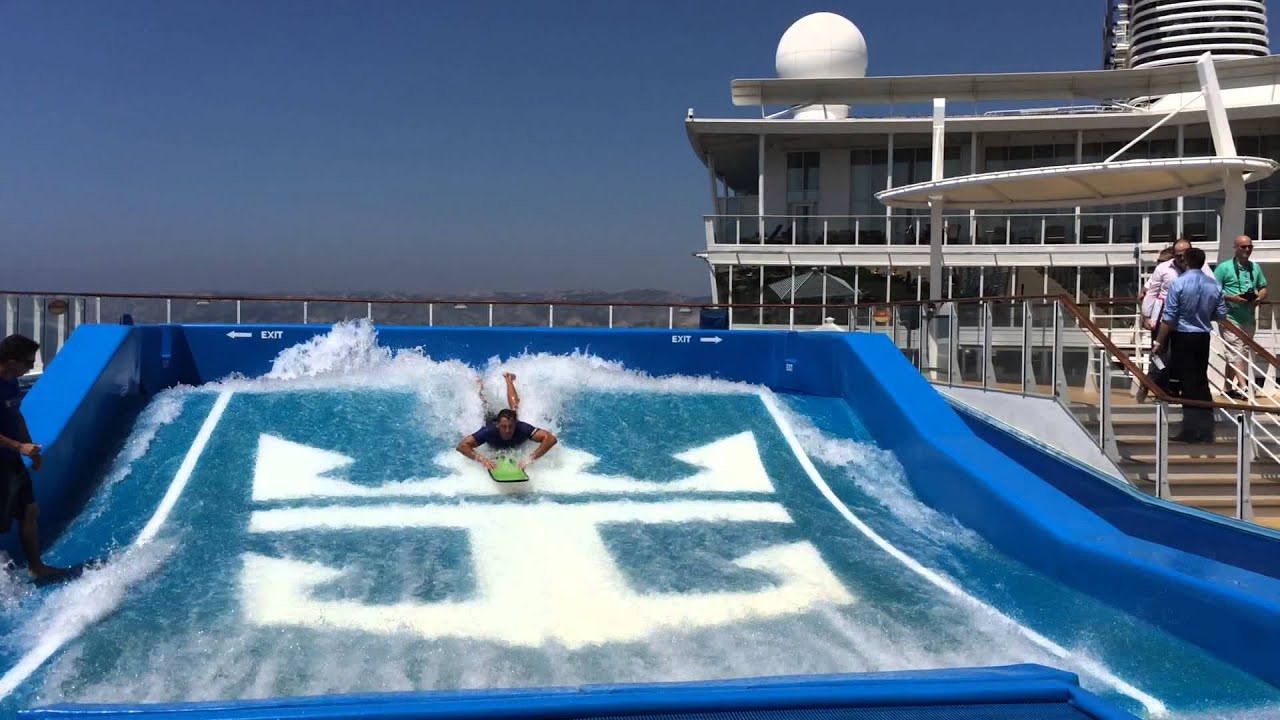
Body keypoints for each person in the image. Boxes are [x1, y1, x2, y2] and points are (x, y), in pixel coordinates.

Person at [0, 334, 66, 579]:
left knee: (30, 510)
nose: (30, 367)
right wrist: (19, 446)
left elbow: (17, 417)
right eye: (27, 363)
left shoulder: (12, 382)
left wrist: (30, 447)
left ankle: (36, 566)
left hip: (11, 458)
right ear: (10, 361)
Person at [1153, 248, 1229, 443]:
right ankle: (1206, 429)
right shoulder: (1214, 285)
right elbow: (1221, 314)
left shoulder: (1178, 284)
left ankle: (1190, 430)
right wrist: (1204, 315)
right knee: (1201, 381)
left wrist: (1159, 341)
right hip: (1203, 335)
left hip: (1183, 335)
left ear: (1186, 261)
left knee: (1187, 383)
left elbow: (1169, 318)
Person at [458, 372, 558, 470]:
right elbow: (462, 446)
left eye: (511, 426)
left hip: (511, 419)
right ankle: (481, 386)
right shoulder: (489, 431)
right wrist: (482, 459)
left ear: (516, 424)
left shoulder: (522, 428)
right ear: (498, 425)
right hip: (492, 419)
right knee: (486, 406)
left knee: (515, 409)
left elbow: (550, 439)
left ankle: (508, 379)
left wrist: (531, 458)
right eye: (503, 427)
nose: (507, 430)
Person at [1214, 234, 1268, 400]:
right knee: (1236, 350)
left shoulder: (1255, 267)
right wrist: (1232, 297)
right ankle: (1244, 387)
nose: (1247, 249)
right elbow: (1214, 289)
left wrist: (1258, 298)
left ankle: (1228, 386)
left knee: (1239, 352)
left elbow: (1263, 287)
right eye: (1243, 247)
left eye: (1249, 246)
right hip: (1229, 318)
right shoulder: (1224, 268)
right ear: (1235, 248)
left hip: (1249, 317)